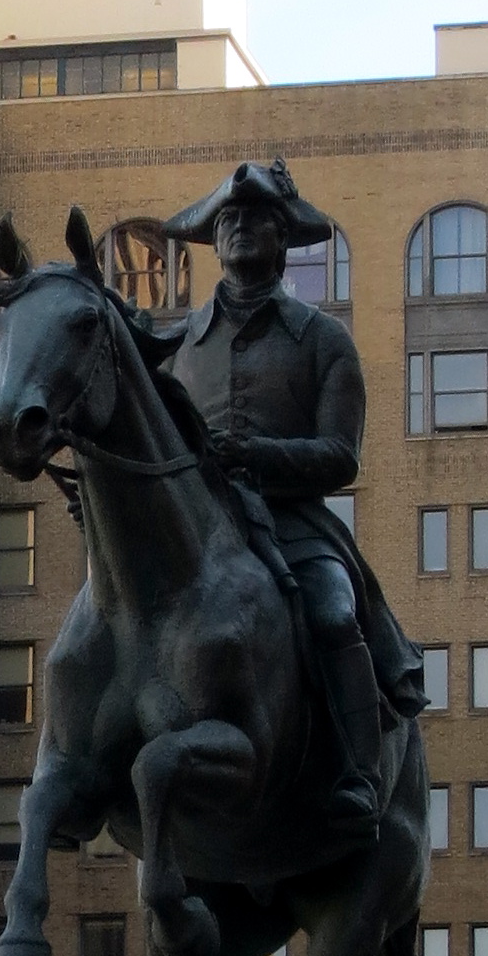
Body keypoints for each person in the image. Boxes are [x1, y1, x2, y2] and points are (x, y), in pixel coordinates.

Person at [164, 159, 426, 849]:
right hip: (192, 530)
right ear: (215, 239)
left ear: (284, 241)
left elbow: (341, 455)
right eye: (230, 218)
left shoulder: (323, 340)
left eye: (258, 219)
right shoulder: (176, 346)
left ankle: (357, 775)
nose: (242, 227)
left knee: (336, 612)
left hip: (290, 524)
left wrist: (253, 457)